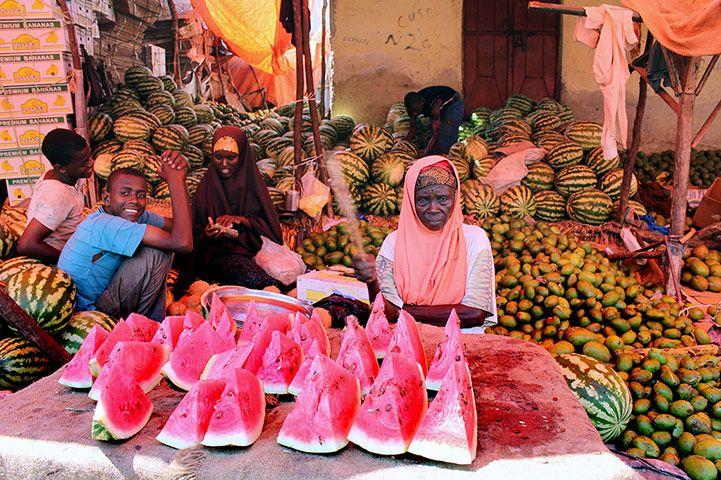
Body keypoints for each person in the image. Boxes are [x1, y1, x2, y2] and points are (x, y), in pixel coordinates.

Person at [353, 156, 496, 330]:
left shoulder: (474, 239)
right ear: (411, 201)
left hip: (463, 346)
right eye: (423, 200)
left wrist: (404, 312)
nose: (433, 209)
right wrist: (372, 281)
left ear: (455, 197)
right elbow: (385, 313)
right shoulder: (393, 243)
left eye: (443, 198)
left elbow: (475, 314)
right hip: (406, 345)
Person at [57, 152, 192, 321]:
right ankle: (144, 324)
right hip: (89, 313)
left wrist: (180, 180)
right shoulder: (105, 224)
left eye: (141, 195)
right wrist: (175, 182)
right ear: (106, 198)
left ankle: (152, 323)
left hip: (104, 294)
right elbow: (183, 243)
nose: (134, 200)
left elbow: (180, 227)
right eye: (125, 193)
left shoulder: (131, 213)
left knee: (161, 243)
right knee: (157, 251)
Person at [181, 125, 283, 290]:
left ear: (242, 156)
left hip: (250, 253)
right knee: (254, 281)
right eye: (218, 157)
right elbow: (191, 235)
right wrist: (207, 234)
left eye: (231, 157)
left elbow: (273, 232)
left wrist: (242, 220)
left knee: (276, 284)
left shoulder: (254, 185)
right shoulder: (206, 186)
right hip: (214, 258)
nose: (224, 164)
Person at [17, 128, 94, 263]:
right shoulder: (58, 197)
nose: (91, 163)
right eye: (84, 163)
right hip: (53, 260)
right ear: (61, 169)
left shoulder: (65, 177)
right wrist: (69, 260)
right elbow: (26, 245)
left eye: (89, 157)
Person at [404, 86, 463, 155]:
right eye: (413, 111)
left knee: (446, 133)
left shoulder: (433, 108)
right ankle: (433, 153)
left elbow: (436, 133)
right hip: (440, 104)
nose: (415, 113)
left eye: (417, 111)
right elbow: (412, 129)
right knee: (429, 135)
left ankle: (446, 156)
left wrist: (426, 151)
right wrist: (403, 144)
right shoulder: (412, 106)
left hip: (453, 103)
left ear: (421, 103)